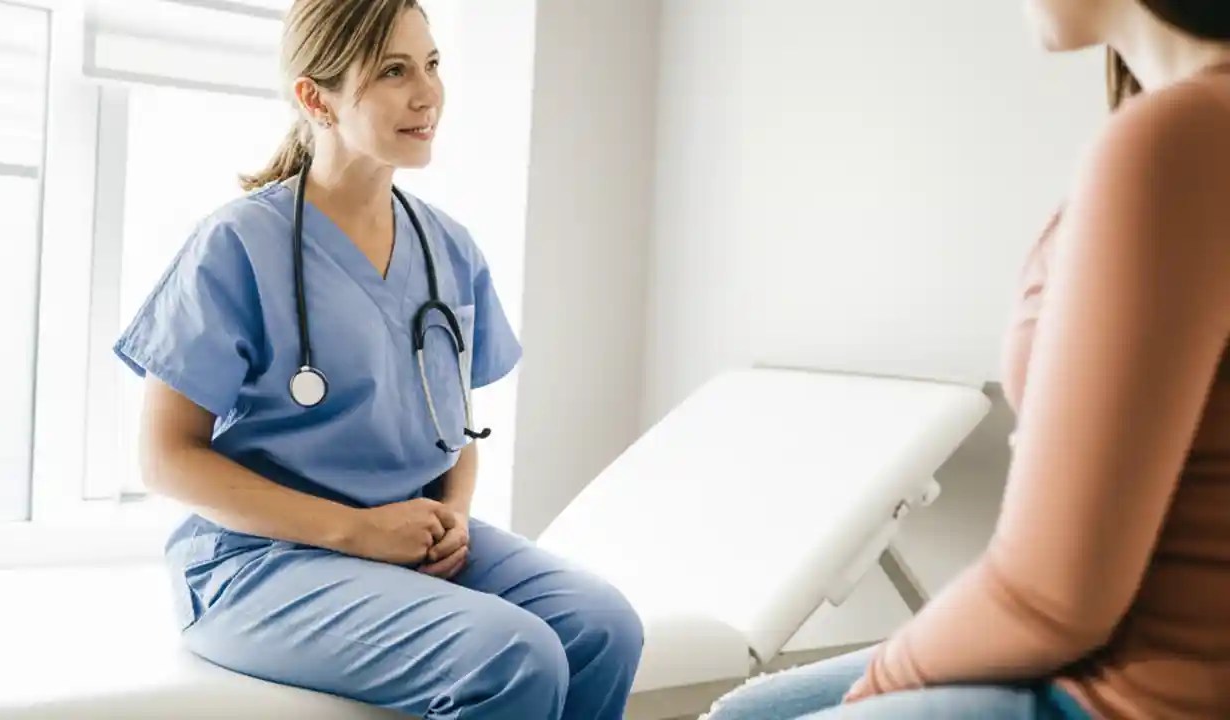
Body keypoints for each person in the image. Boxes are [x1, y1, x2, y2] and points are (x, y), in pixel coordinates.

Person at [112, 1, 643, 718]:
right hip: (261, 562)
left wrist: (451, 514)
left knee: (602, 627)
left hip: (407, 541)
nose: (427, 93)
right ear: (314, 97)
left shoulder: (445, 246)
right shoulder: (238, 245)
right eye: (394, 71)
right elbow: (165, 457)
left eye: (431, 64)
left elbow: (453, 430)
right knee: (514, 655)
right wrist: (359, 531)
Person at [703, 1, 1230, 719]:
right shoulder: (1181, 129)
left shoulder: (1179, 140)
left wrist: (876, 688)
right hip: (1127, 646)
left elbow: (1052, 599)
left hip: (1140, 691)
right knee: (750, 711)